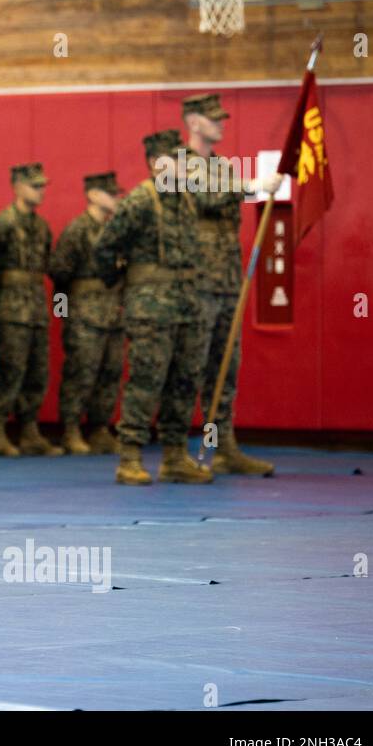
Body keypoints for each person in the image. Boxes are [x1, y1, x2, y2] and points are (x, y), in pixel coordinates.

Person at [91, 130, 212, 485]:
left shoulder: (187, 200)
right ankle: (130, 456)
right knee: (146, 380)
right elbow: (104, 247)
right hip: (151, 308)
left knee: (185, 380)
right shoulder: (140, 201)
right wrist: (121, 283)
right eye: (173, 158)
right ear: (155, 163)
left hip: (187, 305)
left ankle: (175, 456)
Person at [182, 93, 282, 475]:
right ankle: (177, 452)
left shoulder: (223, 167)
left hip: (225, 285)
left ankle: (222, 448)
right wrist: (254, 185)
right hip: (194, 286)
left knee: (223, 373)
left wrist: (256, 186)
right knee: (188, 372)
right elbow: (206, 195)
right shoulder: (179, 166)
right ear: (192, 122)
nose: (221, 123)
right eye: (212, 119)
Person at [0, 162, 62, 456]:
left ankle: (29, 429)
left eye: (42, 186)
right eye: (34, 186)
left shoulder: (41, 226)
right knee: (10, 370)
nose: (40, 191)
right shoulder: (3, 223)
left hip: (36, 308)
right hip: (11, 309)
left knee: (36, 371)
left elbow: (47, 264)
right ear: (17, 187)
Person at [50, 172, 126, 455]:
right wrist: (63, 312)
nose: (117, 198)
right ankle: (70, 429)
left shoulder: (114, 230)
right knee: (81, 372)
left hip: (112, 312)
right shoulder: (77, 230)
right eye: (110, 193)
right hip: (84, 313)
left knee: (110, 372)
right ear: (93, 195)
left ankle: (99, 428)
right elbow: (59, 273)